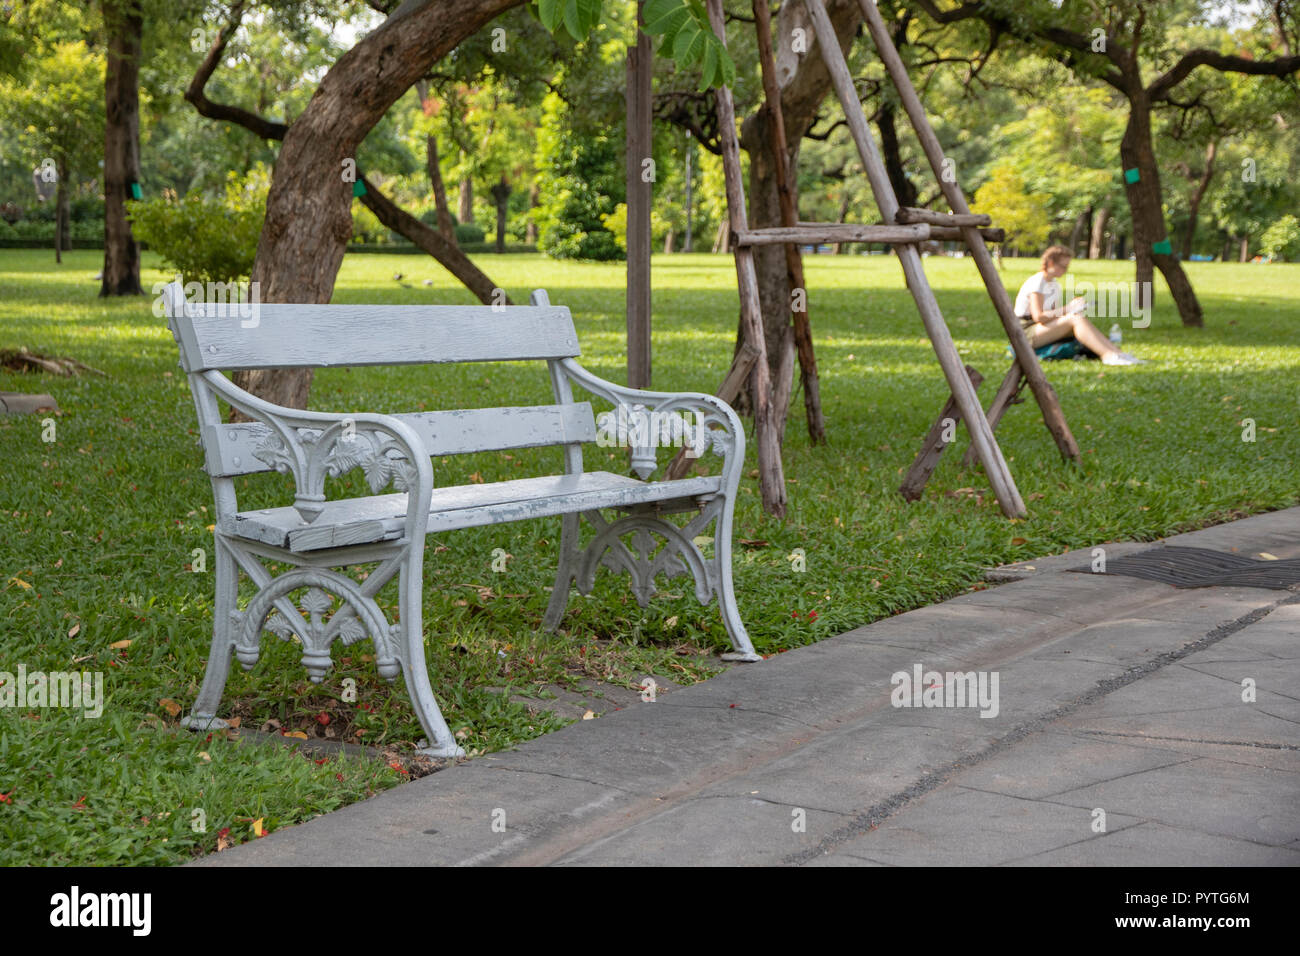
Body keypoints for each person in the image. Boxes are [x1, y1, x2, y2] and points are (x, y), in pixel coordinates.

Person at [1014, 246, 1144, 366]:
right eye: (1063, 266)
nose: (1065, 271)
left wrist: (1074, 308)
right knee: (1074, 319)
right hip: (1025, 332)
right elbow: (1039, 317)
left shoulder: (1054, 284)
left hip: (1040, 329)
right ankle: (1108, 356)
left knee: (1078, 317)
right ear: (1051, 263)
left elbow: (1052, 315)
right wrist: (1068, 308)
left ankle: (1117, 353)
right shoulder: (1037, 282)